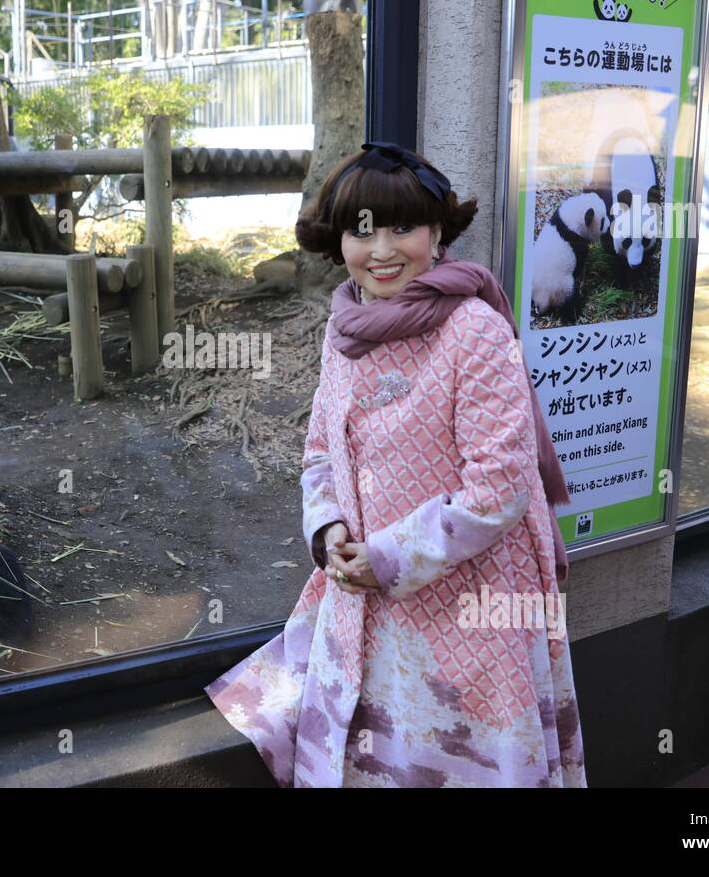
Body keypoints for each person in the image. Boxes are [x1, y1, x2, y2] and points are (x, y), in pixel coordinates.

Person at [205, 142, 587, 787]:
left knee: (459, 756)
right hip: (364, 588)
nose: (382, 249)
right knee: (376, 756)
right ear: (338, 243)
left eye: (403, 227)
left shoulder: (473, 329)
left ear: (438, 234)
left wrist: (388, 558)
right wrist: (328, 532)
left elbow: (498, 489)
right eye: (362, 231)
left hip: (473, 594)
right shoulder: (345, 326)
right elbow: (322, 448)